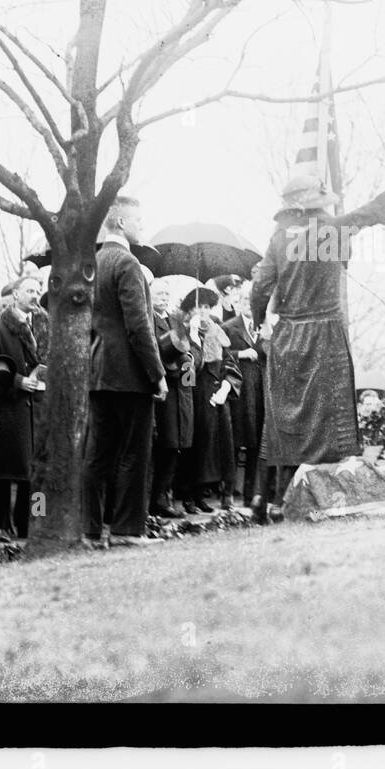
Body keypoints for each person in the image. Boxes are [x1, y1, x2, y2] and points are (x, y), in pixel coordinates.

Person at [252, 164, 385, 522]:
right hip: (325, 335)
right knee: (328, 420)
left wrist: (258, 322)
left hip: (288, 337)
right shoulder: (335, 229)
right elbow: (377, 207)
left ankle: (273, 502)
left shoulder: (279, 239)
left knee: (286, 421)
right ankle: (323, 497)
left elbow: (261, 286)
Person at [80, 195, 165, 548]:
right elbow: (138, 327)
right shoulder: (127, 264)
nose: (142, 227)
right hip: (130, 375)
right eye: (138, 221)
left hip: (100, 372)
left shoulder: (93, 262)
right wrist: (156, 372)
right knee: (134, 452)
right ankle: (127, 530)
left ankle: (89, 529)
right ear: (119, 223)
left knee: (98, 455)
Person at [0, 275, 43, 542]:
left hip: (36, 409)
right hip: (9, 407)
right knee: (4, 472)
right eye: (30, 290)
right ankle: (0, 525)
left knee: (34, 473)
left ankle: (30, 523)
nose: (35, 295)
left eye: (38, 290)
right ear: (15, 294)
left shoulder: (41, 325)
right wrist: (19, 382)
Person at [176, 285, 243, 512]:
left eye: (206, 307)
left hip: (217, 398)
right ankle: (188, 495)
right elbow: (187, 374)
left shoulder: (217, 331)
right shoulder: (182, 333)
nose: (203, 312)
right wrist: (193, 339)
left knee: (215, 449)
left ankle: (205, 493)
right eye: (198, 307)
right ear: (189, 310)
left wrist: (226, 386)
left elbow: (229, 363)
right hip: (194, 396)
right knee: (193, 446)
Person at [223, 279, 266, 510]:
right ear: (238, 303)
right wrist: (240, 354)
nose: (250, 305)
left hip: (259, 395)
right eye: (245, 301)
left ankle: (251, 495)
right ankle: (227, 493)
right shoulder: (229, 326)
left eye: (254, 302)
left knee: (255, 445)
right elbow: (218, 355)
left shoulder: (264, 328)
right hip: (238, 393)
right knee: (233, 445)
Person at [150, 285, 193, 519]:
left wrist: (191, 342)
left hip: (180, 394)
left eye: (167, 294)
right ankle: (156, 499)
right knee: (164, 446)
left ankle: (164, 497)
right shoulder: (149, 319)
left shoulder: (176, 321)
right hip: (163, 392)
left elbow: (191, 368)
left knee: (176, 446)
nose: (164, 298)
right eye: (160, 294)